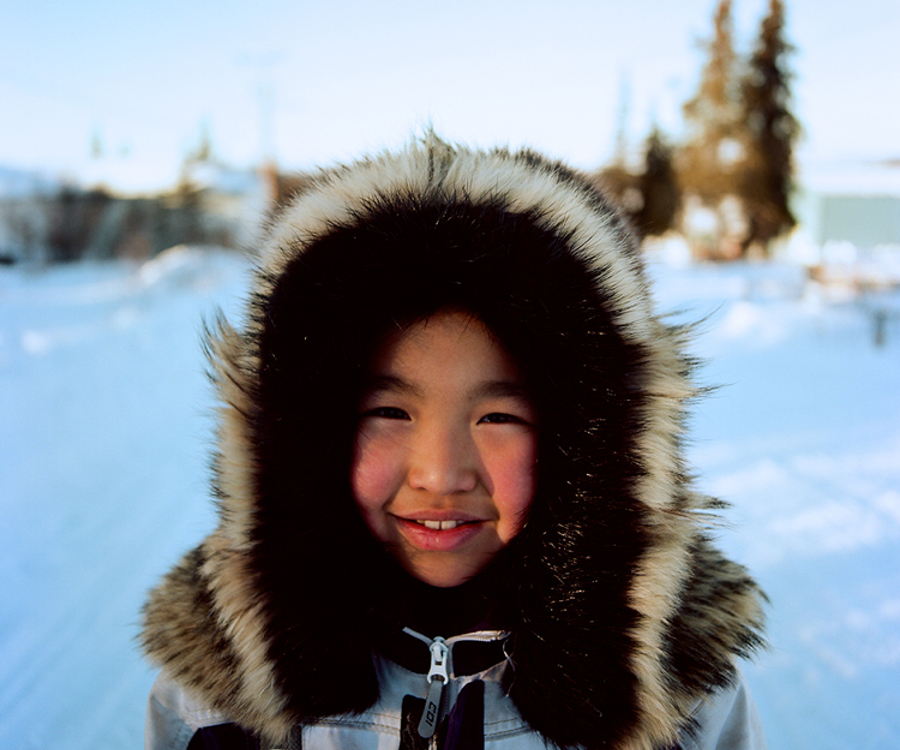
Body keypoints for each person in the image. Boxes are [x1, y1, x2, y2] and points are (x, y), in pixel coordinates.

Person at [141, 134, 767, 750]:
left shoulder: (682, 705)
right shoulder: (215, 709)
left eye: (498, 417)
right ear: (306, 438)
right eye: (389, 410)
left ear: (591, 450)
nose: (441, 475)